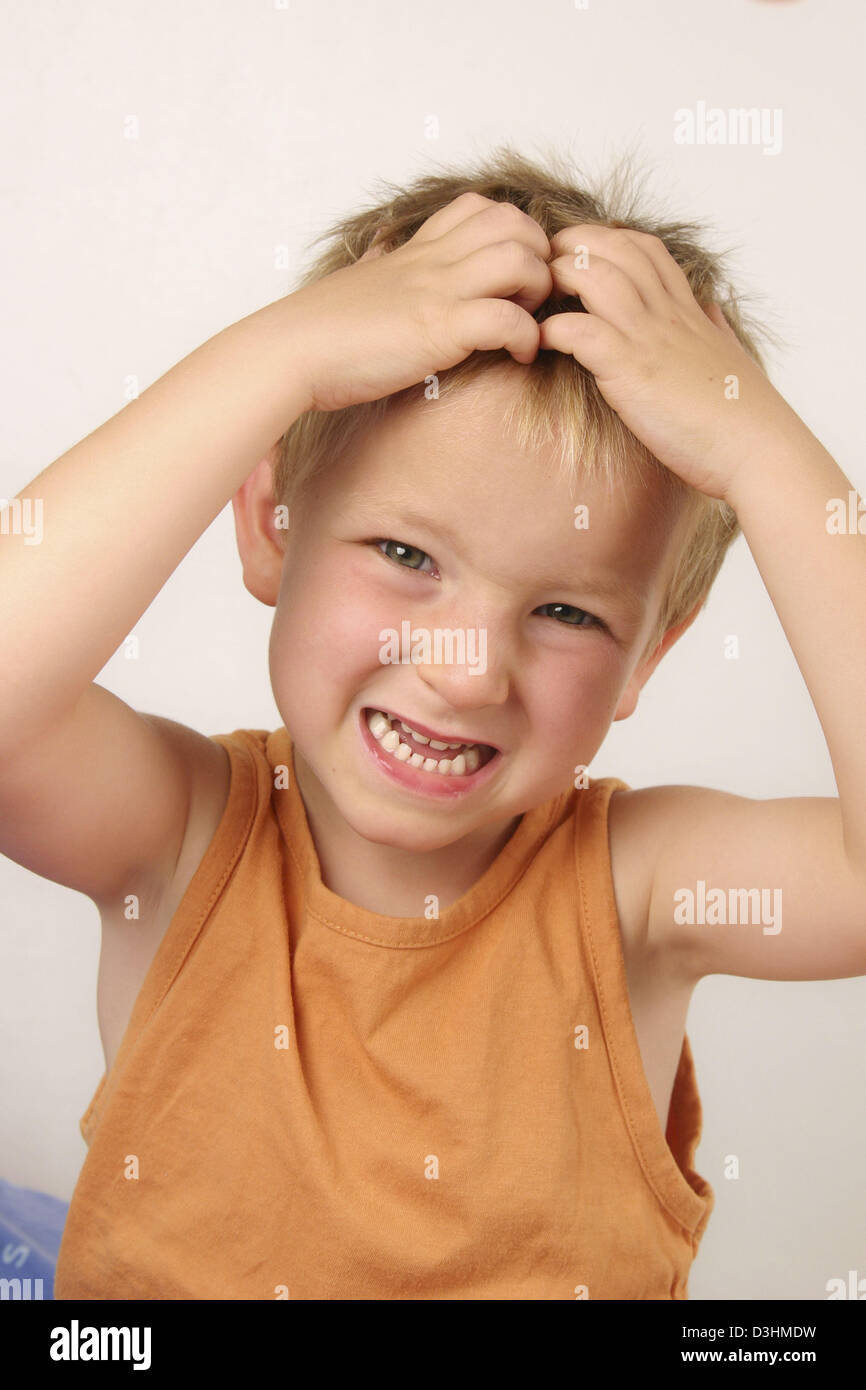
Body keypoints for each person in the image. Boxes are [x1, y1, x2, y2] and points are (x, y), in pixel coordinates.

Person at [3, 147, 863, 1299]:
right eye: (405, 554)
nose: (466, 673)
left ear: (646, 655)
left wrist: (764, 453)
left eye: (564, 610)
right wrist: (288, 351)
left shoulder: (640, 891)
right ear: (272, 523)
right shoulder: (175, 838)